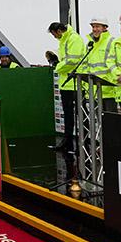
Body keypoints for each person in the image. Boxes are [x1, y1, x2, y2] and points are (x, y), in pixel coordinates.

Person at [47, 21, 85, 157]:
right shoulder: (64, 40)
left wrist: (57, 66)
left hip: (75, 83)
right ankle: (67, 142)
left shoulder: (74, 38)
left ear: (58, 31)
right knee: (68, 116)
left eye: (54, 35)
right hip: (66, 83)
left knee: (80, 116)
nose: (55, 37)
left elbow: (72, 61)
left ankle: (83, 144)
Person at [79, 17, 115, 112]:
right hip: (93, 91)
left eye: (97, 26)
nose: (94, 29)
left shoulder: (112, 42)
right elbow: (85, 65)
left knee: (110, 119)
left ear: (105, 27)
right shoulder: (90, 44)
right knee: (96, 120)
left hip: (109, 92)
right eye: (93, 27)